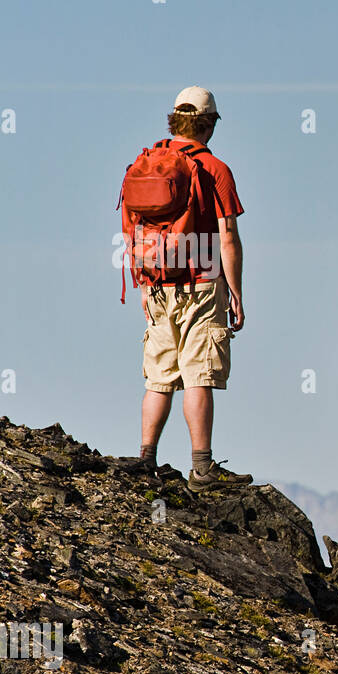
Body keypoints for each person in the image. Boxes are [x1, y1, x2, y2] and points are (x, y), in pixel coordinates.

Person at [127, 86, 251, 491]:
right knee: (199, 375)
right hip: (201, 281)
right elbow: (227, 236)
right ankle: (202, 468)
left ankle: (146, 458)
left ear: (173, 120)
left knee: (159, 377)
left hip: (157, 284)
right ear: (209, 123)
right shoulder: (214, 168)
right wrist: (235, 291)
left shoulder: (145, 164)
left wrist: (144, 282)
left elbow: (133, 229)